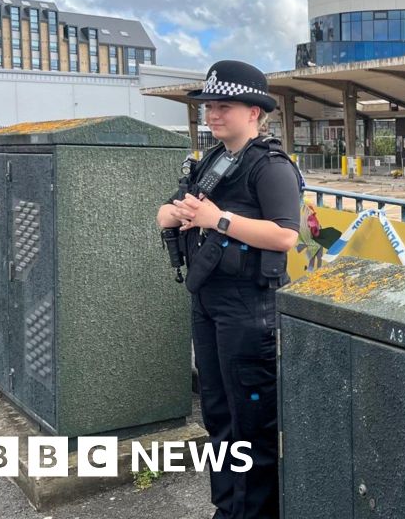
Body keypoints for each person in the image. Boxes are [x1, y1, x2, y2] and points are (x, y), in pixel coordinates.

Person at [156, 60, 301, 519]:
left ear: (254, 112)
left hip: (250, 309)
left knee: (252, 424)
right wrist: (171, 214)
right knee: (218, 416)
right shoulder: (215, 159)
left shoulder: (271, 166)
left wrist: (217, 219)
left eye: (224, 106)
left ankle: (252, 512)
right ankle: (228, 508)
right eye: (208, 106)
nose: (212, 115)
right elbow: (190, 208)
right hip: (210, 299)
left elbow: (284, 236)